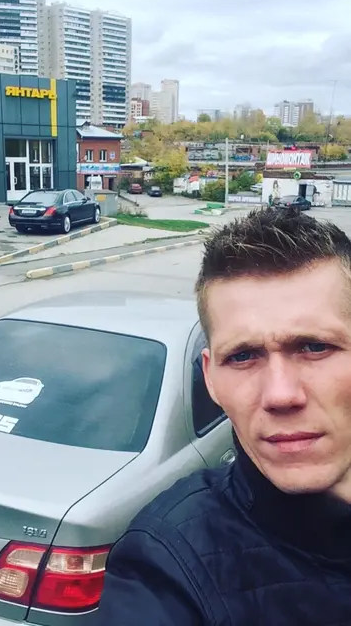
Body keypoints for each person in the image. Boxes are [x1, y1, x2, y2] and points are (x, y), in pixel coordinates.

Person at [98, 207, 351, 625]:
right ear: (211, 379)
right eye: (243, 356)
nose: (280, 395)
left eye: (314, 347)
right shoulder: (165, 561)